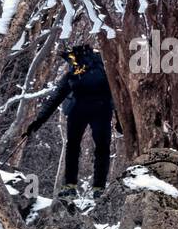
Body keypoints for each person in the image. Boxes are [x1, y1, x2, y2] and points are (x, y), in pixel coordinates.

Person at [24, 44, 118, 197]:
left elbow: (55, 99)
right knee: (102, 148)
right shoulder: (103, 70)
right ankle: (98, 188)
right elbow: (116, 94)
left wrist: (38, 122)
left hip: (78, 109)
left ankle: (70, 186)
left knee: (73, 147)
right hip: (101, 109)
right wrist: (120, 120)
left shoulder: (72, 74)